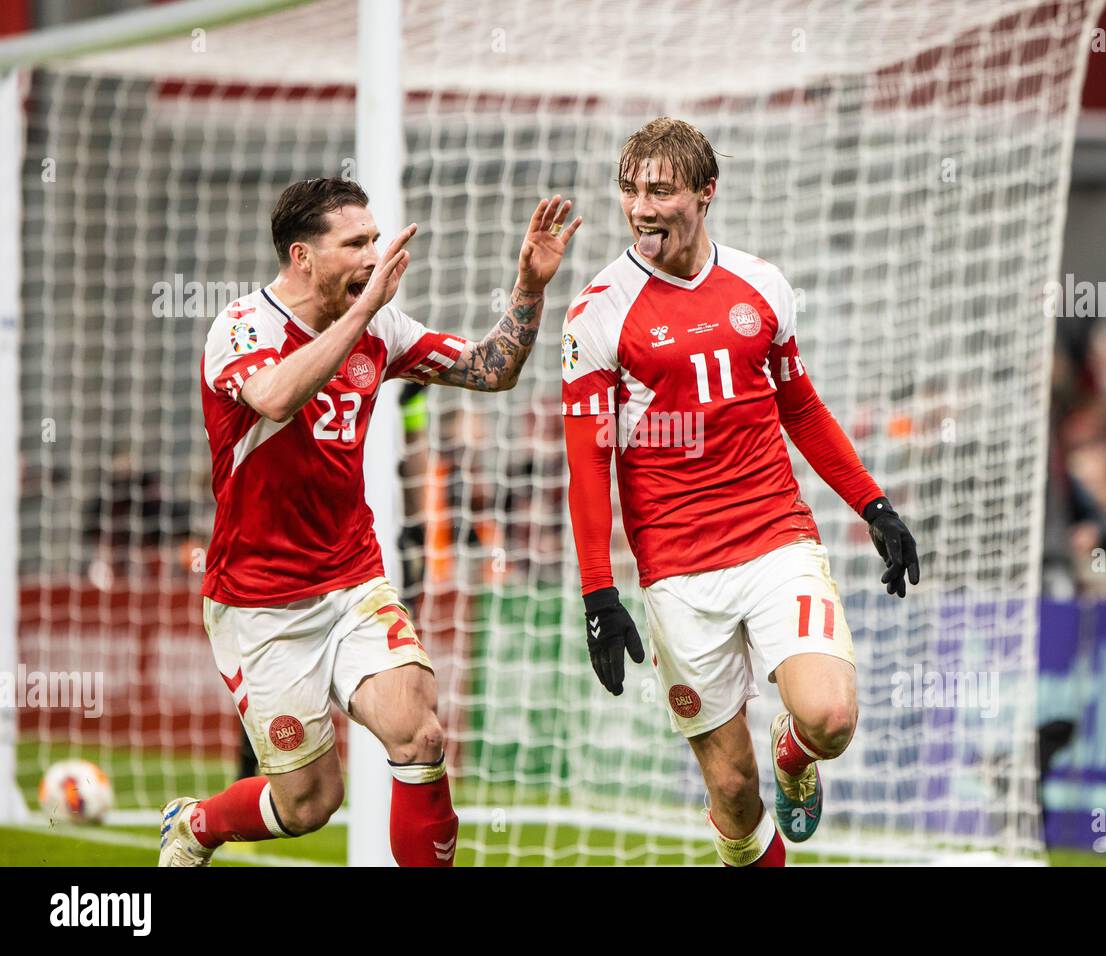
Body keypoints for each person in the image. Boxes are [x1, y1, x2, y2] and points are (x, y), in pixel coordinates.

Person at [160, 178, 581, 866]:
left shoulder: (380, 326)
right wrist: (359, 320)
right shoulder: (244, 324)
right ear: (302, 256)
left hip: (353, 580)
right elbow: (272, 398)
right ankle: (197, 825)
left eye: (374, 240)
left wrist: (529, 288)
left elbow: (490, 369)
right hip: (261, 600)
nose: (373, 255)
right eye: (355, 243)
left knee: (420, 736)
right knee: (308, 806)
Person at [561, 118, 918, 867]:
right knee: (732, 791)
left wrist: (873, 505)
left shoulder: (761, 284)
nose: (641, 207)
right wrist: (600, 593)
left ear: (706, 191)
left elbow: (802, 407)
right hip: (679, 573)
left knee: (830, 718)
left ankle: (795, 753)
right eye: (630, 190)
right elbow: (587, 462)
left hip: (773, 541)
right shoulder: (598, 311)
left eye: (661, 189)